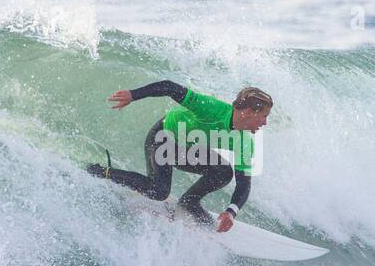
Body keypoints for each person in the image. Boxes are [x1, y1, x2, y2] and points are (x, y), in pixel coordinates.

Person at [86, 81, 272, 232]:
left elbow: (244, 182)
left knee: (224, 172)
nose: (265, 122)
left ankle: (189, 202)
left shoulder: (245, 142)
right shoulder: (212, 109)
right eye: (263, 116)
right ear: (247, 112)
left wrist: (231, 212)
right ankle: (100, 171)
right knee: (158, 191)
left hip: (186, 147)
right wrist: (133, 95)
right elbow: (170, 87)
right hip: (162, 137)